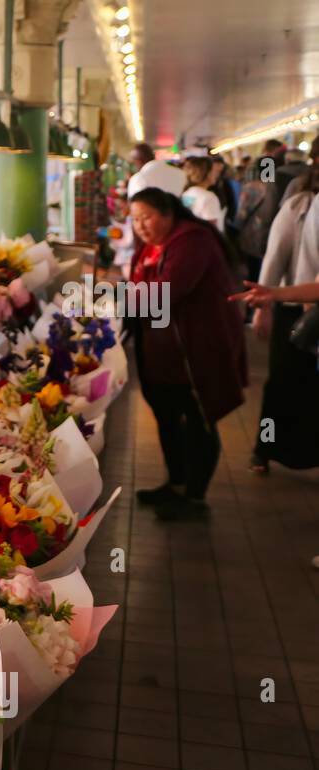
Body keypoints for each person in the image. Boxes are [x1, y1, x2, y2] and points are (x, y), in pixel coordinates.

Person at [128, 186, 247, 520]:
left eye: (147, 217)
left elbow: (168, 291)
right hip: (165, 352)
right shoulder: (151, 245)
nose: (140, 225)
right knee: (167, 415)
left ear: (168, 213)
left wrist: (113, 299)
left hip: (197, 349)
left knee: (198, 417)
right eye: (135, 219)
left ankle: (194, 496)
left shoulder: (193, 240)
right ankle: (176, 483)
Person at [237, 157, 319, 474]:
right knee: (281, 386)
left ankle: (303, 451)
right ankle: (264, 446)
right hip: (292, 310)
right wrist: (266, 305)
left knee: (305, 387)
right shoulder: (298, 206)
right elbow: (274, 257)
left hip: (302, 306)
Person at [234, 157, 282, 281]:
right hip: (272, 232)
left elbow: (242, 213)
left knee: (253, 268)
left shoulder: (251, 187)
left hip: (252, 233)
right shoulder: (277, 187)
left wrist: (236, 229)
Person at [182, 156, 226, 231]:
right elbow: (212, 228)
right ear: (207, 174)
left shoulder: (186, 194)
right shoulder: (209, 197)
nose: (216, 175)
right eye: (214, 171)